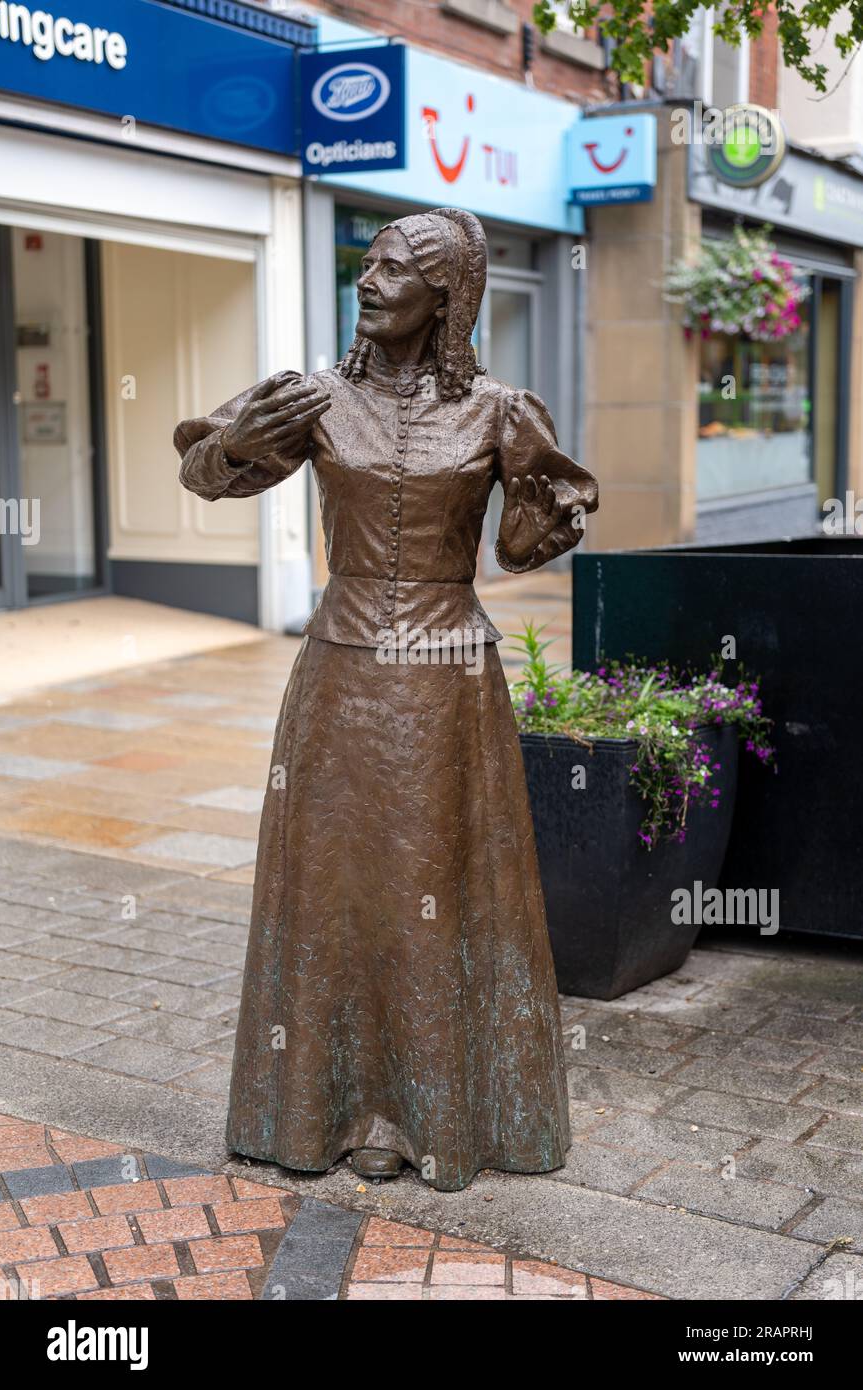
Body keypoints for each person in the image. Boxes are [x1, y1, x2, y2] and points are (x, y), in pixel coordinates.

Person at [174, 206, 598, 1192]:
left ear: (443, 297)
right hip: (343, 670)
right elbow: (206, 474)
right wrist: (233, 441)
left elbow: (525, 537)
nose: (369, 283)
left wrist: (555, 511)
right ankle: (326, 1105)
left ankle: (439, 1109)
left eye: (394, 271)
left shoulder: (497, 408)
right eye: (365, 266)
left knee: (442, 878)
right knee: (336, 880)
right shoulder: (312, 397)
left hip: (448, 674)